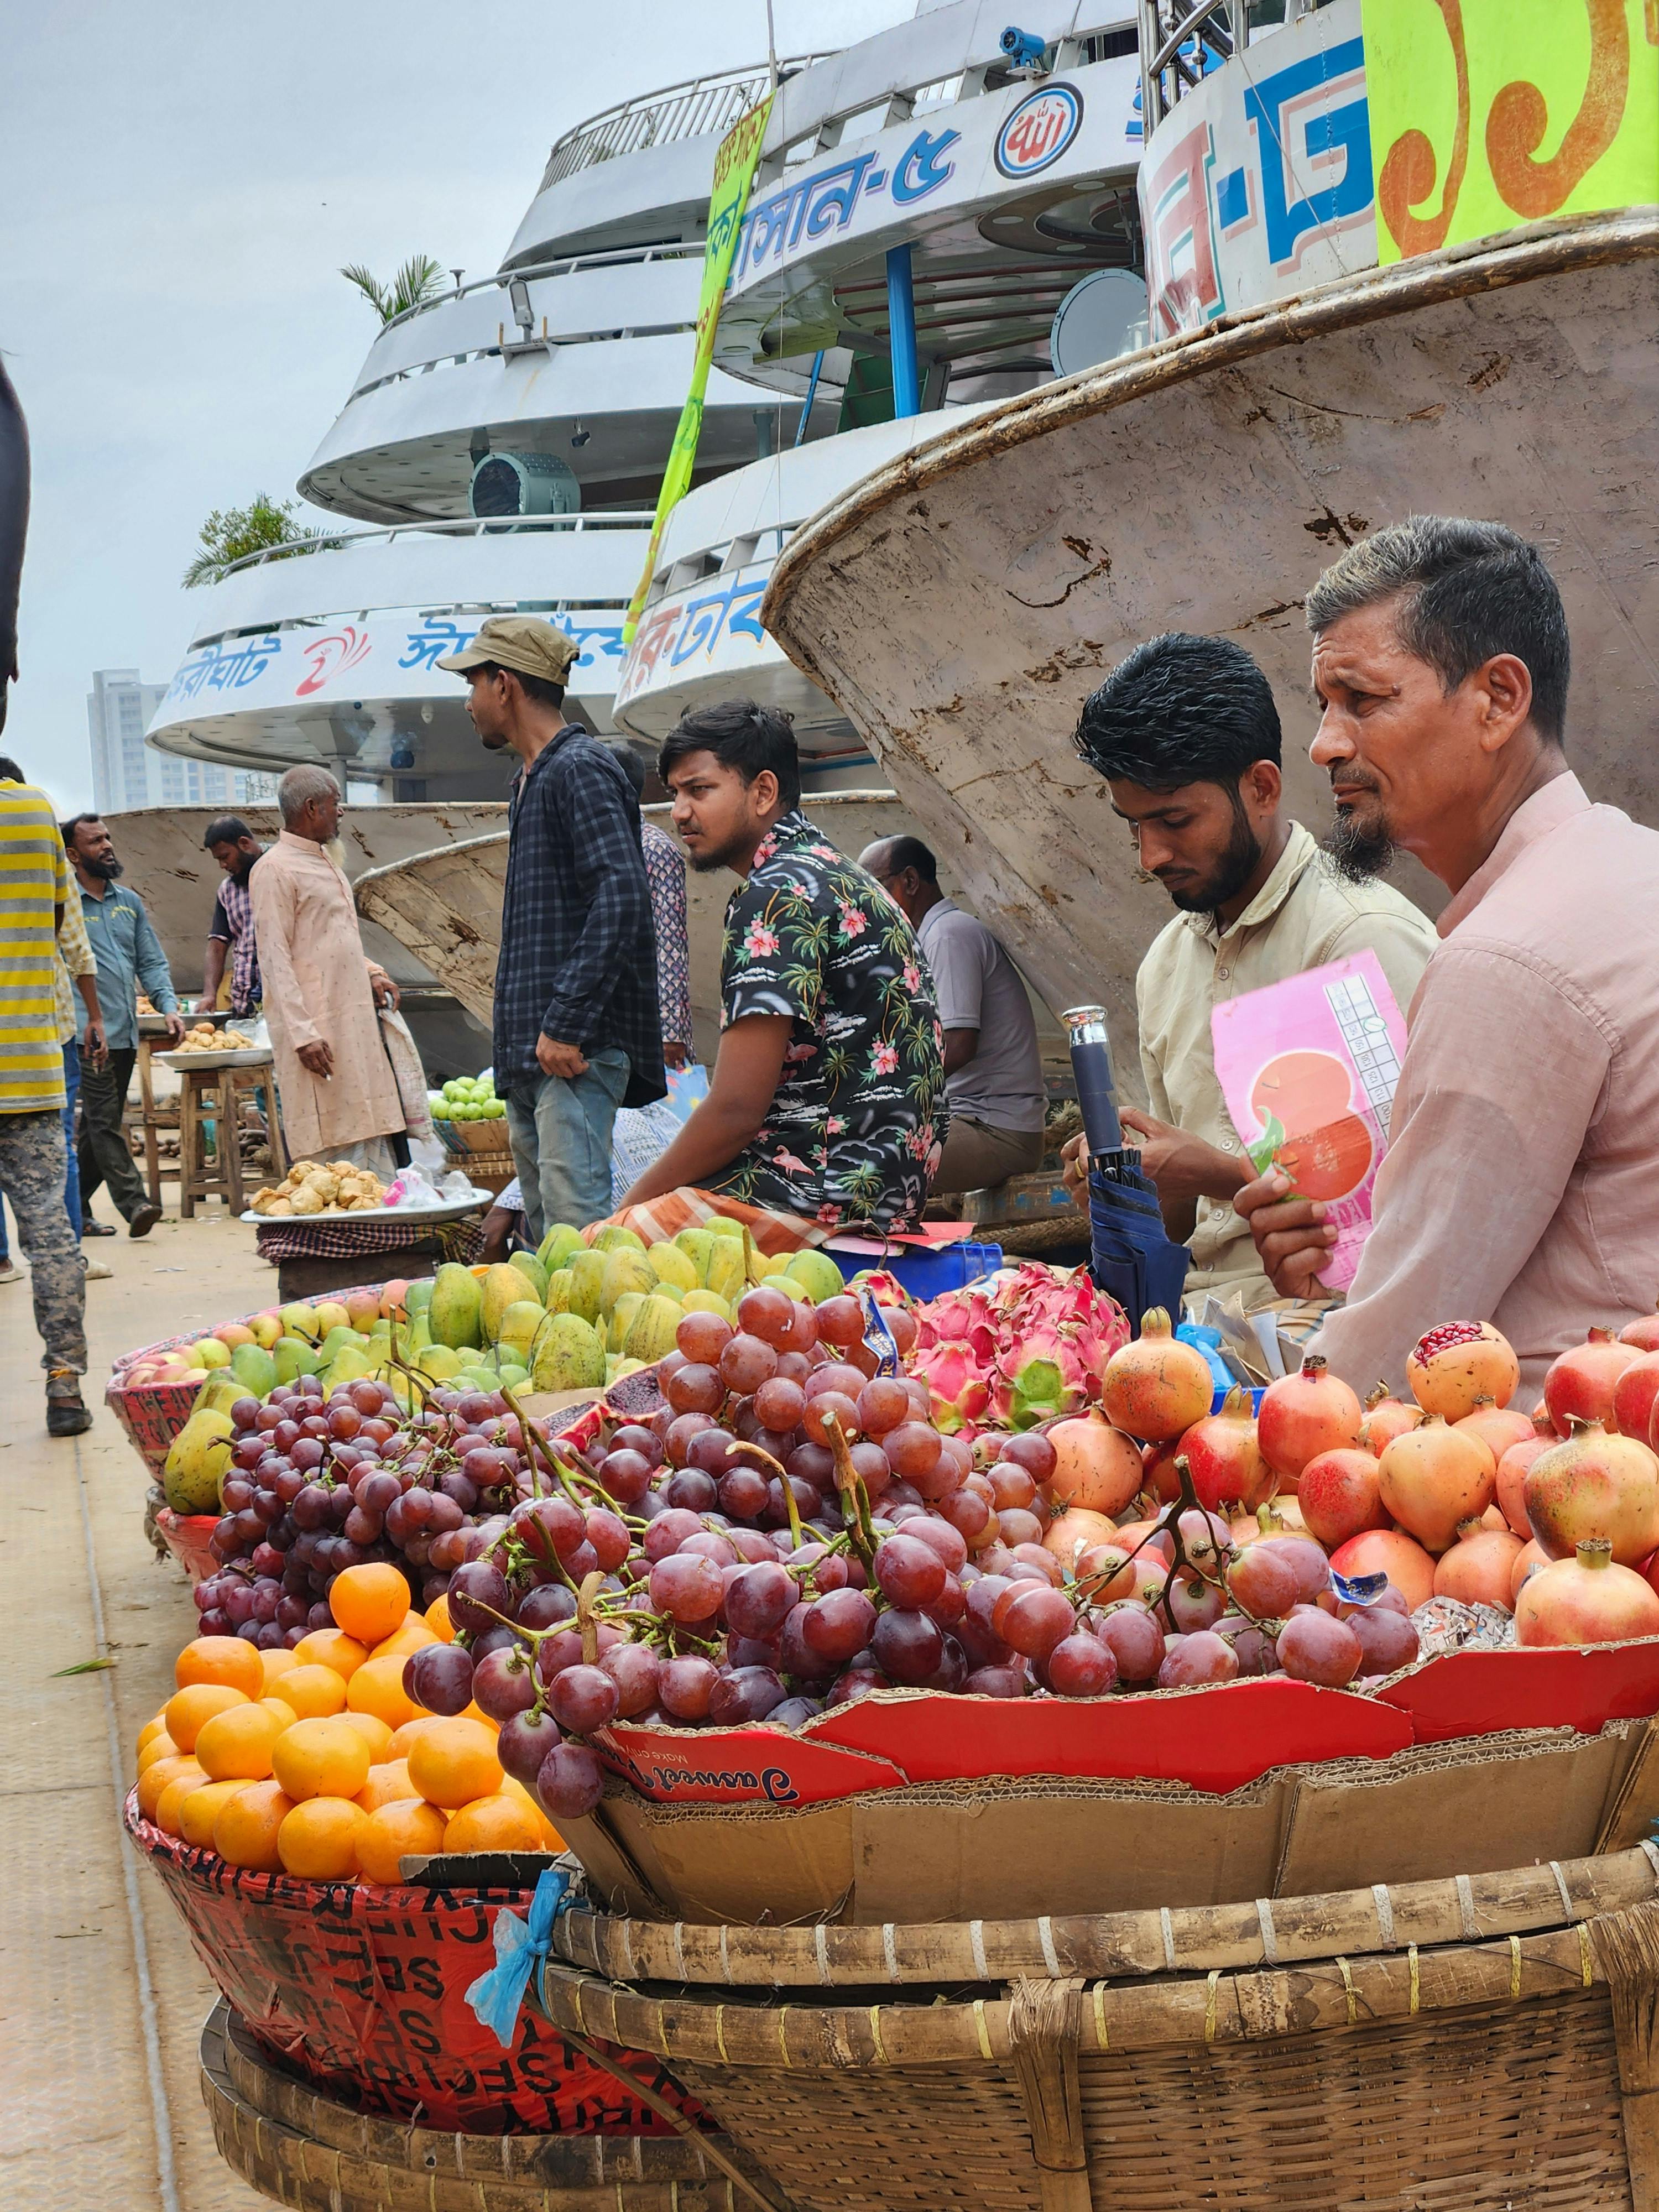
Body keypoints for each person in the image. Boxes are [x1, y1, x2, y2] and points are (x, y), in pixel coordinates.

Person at [1234, 515, 1659, 1397]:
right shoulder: (1628, 866)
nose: (1326, 745)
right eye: (1324, 706)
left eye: (1365, 699)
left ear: (1500, 700)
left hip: (1567, 1481)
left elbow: (1396, 1353)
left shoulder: (1509, 962)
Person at [1062, 633, 1437, 1314]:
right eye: (1134, 826)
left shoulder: (1359, 937)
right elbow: (1182, 1231)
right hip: (1194, 1320)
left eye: (1174, 820)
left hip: (1338, 1324)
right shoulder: (1166, 964)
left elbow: (1431, 1207)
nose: (1150, 855)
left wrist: (1219, 1171)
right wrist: (1132, 1182)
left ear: (1261, 787)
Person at [623, 701, 947, 1232]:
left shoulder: (775, 895)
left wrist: (628, 1207)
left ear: (764, 792)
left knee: (607, 1237)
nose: (679, 811)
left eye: (698, 790)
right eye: (675, 793)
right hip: (890, 1187)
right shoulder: (841, 872)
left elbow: (735, 1111)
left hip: (818, 1189)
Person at [440, 615, 664, 1240]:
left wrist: (565, 1022)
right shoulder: (531, 780)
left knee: (576, 1232)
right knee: (544, 1237)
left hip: (572, 1051)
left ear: (504, 685)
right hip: (535, 1053)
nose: (469, 702)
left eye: (474, 683)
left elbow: (620, 897)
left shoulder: (580, 768)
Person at [859, 833, 1047, 1191]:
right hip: (966, 1120)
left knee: (865, 1170)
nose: (865, 904)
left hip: (995, 1130)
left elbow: (958, 1046)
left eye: (871, 888)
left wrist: (884, 1094)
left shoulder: (948, 935)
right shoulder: (928, 938)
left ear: (910, 881)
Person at [249, 766, 405, 1172]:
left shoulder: (326, 861)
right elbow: (274, 959)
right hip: (318, 1033)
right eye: (337, 803)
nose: (342, 813)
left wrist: (372, 972)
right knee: (332, 1150)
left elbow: (334, 937)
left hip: (353, 1023)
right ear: (312, 807)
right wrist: (303, 1035)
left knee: (368, 1129)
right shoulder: (274, 870)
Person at [0, 766, 91, 1431]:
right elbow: (64, 924)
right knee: (50, 1236)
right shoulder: (34, 813)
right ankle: (65, 1386)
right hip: (28, 1064)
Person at [0, 757, 111, 1282]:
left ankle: (1, 1258)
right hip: (46, 1030)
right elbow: (72, 942)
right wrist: (94, 1014)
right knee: (57, 1145)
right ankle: (69, 1252)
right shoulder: (42, 840)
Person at [64, 812, 184, 1238]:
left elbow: (150, 961)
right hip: (86, 1033)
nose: (107, 846)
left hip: (126, 1033)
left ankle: (71, 1210)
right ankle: (135, 1204)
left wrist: (167, 1006)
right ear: (74, 854)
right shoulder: (64, 907)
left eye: (107, 838)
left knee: (99, 1126)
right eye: (96, 842)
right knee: (104, 1122)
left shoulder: (128, 904)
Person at [609, 742, 694, 1070]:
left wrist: (672, 1032)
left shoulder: (654, 849)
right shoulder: (599, 844)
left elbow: (671, 943)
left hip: (648, 1025)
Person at [201, 815, 265, 1016]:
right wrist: (210, 995)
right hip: (244, 1005)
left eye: (225, 857)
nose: (223, 865)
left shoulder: (279, 869)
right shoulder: (227, 890)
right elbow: (217, 947)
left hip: (283, 1003)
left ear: (244, 844)